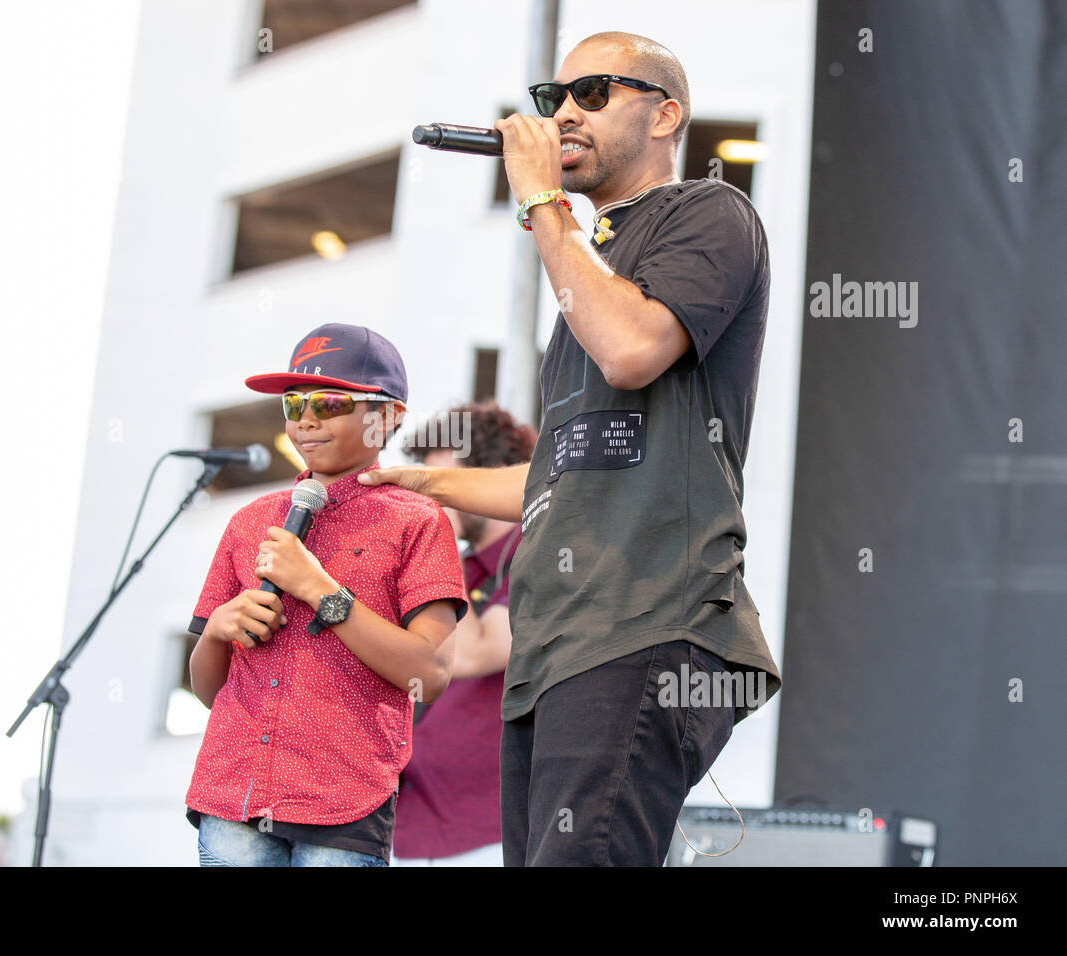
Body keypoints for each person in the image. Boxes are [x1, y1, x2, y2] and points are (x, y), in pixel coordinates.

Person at [360, 32, 782, 865]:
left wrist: (539, 204)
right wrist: (408, 482)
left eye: (593, 91)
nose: (564, 114)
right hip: (557, 651)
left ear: (667, 115)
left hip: (644, 623)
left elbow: (632, 349)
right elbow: (556, 477)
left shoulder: (707, 212)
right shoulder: (590, 276)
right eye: (554, 98)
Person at [184, 322, 469, 866]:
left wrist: (319, 590)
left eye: (330, 402)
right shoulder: (249, 523)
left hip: (342, 802)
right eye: (293, 405)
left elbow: (428, 675)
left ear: (388, 415)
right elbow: (208, 690)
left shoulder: (418, 520)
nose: (306, 419)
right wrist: (219, 630)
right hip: (231, 791)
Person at [390, 401, 536, 866]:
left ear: (488, 479)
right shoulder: (463, 567)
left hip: (484, 832)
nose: (436, 502)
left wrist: (438, 538)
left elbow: (477, 651)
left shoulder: (539, 553)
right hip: (411, 827)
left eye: (447, 487)